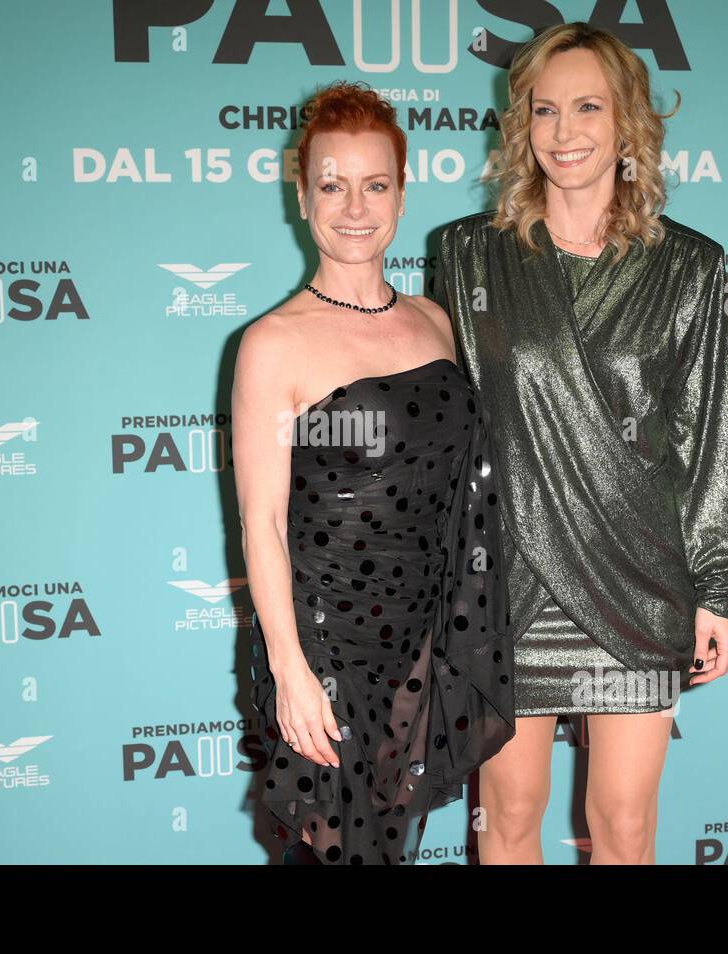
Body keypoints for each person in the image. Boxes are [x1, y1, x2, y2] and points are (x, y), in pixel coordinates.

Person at [433, 22, 728, 864]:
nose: (564, 132)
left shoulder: (689, 266)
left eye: (586, 107)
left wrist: (715, 587)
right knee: (508, 815)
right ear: (521, 126)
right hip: (509, 577)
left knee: (626, 825)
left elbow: (709, 432)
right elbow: (442, 424)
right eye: (544, 110)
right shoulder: (467, 257)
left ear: (626, 124)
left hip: (640, 580)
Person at [232, 81, 515, 865]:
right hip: (330, 644)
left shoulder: (435, 321)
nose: (354, 207)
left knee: (387, 848)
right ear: (301, 195)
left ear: (401, 191)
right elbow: (260, 523)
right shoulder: (273, 344)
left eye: (375, 184)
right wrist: (289, 671)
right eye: (332, 184)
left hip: (428, 638)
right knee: (330, 848)